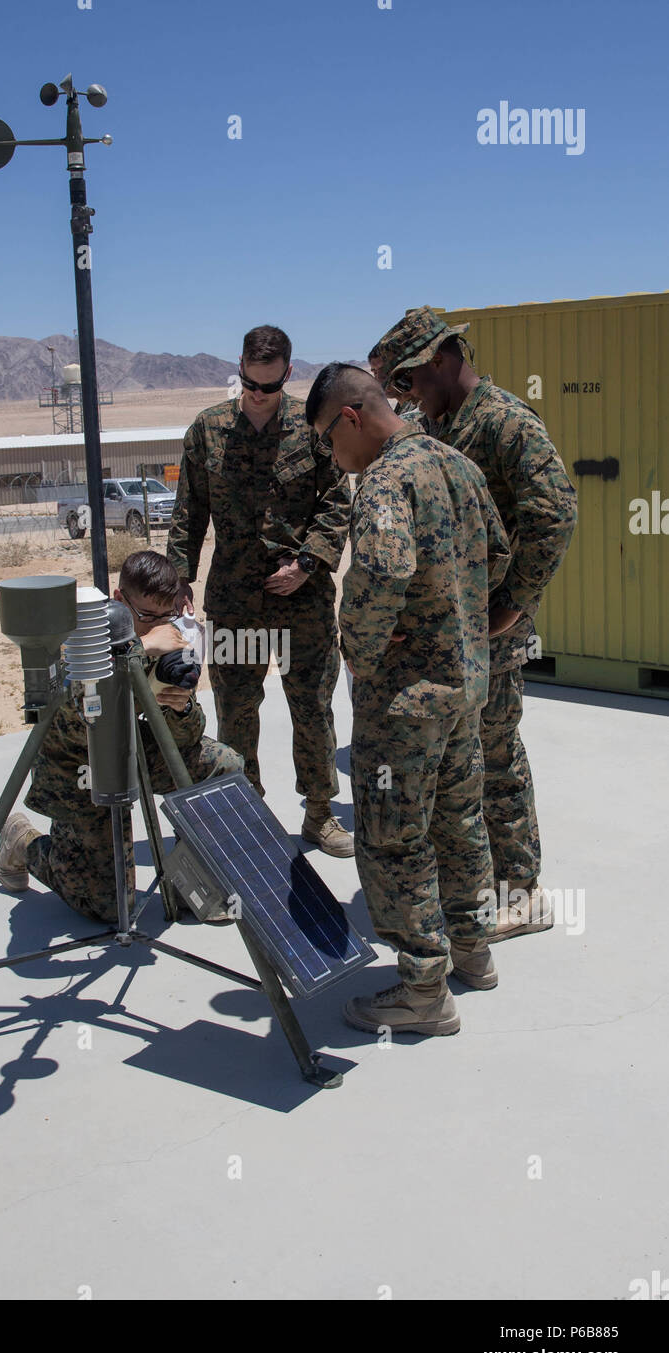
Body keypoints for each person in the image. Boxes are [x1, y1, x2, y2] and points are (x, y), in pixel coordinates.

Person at [305, 364, 511, 1035]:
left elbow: (383, 571)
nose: (334, 460)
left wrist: (361, 654)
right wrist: (459, 619)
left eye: (328, 443)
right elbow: (500, 554)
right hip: (465, 686)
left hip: (406, 701)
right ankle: (473, 953)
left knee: (396, 837)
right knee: (459, 822)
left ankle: (423, 986)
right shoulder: (456, 465)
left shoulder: (387, 480)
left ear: (351, 417)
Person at [368, 308, 577, 939]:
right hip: (450, 631)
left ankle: (522, 891)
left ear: (440, 357)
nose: (403, 398)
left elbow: (555, 513)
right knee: (460, 762)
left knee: (494, 754)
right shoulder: (437, 425)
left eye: (406, 381)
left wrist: (513, 601)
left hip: (490, 629)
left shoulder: (504, 421)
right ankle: (476, 883)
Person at [166, 324, 354, 856]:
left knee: (312, 707)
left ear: (288, 375)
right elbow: (188, 511)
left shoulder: (314, 429)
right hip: (236, 602)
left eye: (269, 387)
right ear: (240, 369)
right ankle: (242, 814)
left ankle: (320, 814)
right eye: (249, 382)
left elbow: (338, 502)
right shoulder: (208, 429)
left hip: (303, 601)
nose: (257, 394)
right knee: (236, 709)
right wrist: (180, 577)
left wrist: (309, 563)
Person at [0, 550, 243, 922]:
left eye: (166, 615)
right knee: (110, 906)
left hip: (133, 749)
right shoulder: (76, 635)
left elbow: (188, 738)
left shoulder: (170, 637)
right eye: (145, 616)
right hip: (82, 767)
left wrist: (180, 708)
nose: (157, 626)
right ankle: (23, 843)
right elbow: (77, 720)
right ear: (118, 598)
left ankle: (190, 881)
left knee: (223, 764)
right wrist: (140, 651)